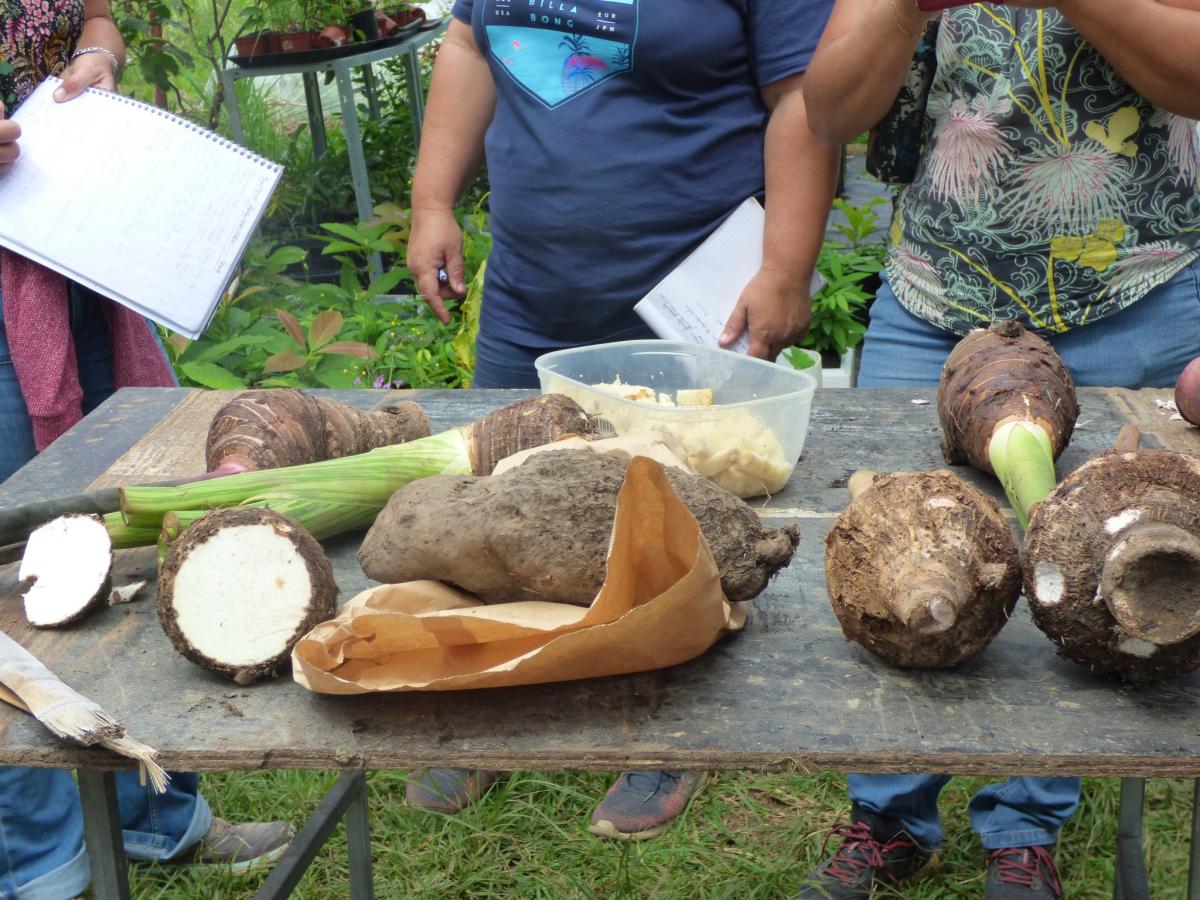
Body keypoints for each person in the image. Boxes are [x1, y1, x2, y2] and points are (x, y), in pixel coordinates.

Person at [405, 0, 840, 840]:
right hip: (533, 294)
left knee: (676, 518)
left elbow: (806, 99)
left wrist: (787, 264)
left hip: (687, 306)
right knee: (505, 502)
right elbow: (468, 41)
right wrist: (433, 201)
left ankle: (664, 724)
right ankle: (500, 699)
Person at [798, 0, 1200, 897]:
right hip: (937, 294)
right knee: (901, 539)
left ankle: (1027, 825)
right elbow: (829, 110)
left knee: (1096, 555)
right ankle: (890, 815)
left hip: (1134, 291)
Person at [0, 3, 292, 896]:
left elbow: (90, 13)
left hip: (74, 251)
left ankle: (156, 814)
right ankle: (42, 861)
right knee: (14, 579)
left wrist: (95, 53)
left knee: (121, 527)